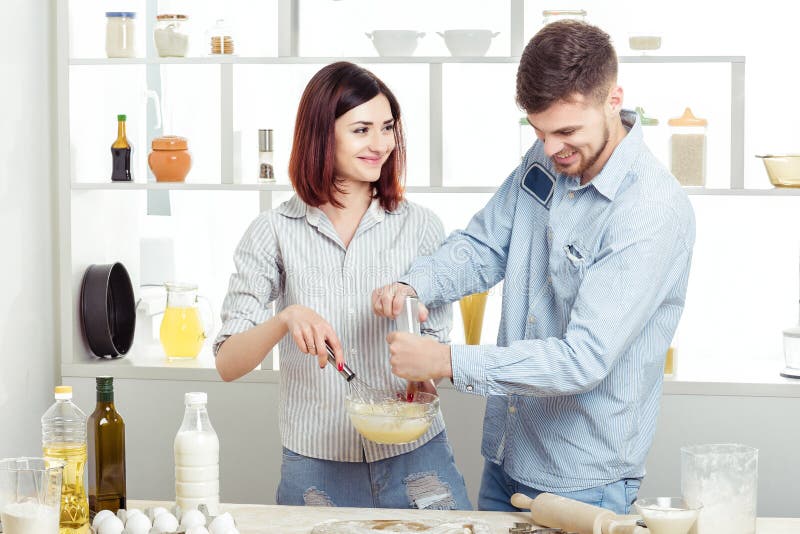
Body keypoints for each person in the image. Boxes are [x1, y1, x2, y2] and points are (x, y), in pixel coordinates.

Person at [371, 21, 696, 514]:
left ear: (613, 100)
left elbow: (582, 359)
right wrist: (415, 283)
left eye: (565, 131)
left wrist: (448, 361)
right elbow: (485, 245)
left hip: (581, 481)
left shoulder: (647, 211)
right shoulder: (551, 158)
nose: (550, 148)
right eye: (538, 131)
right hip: (507, 456)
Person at [213, 61, 471, 510]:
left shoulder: (422, 228)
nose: (380, 144)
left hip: (417, 459)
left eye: (387, 128)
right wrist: (286, 319)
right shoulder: (273, 231)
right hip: (316, 469)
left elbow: (433, 355)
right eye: (361, 130)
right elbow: (228, 363)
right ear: (321, 134)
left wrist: (423, 378)